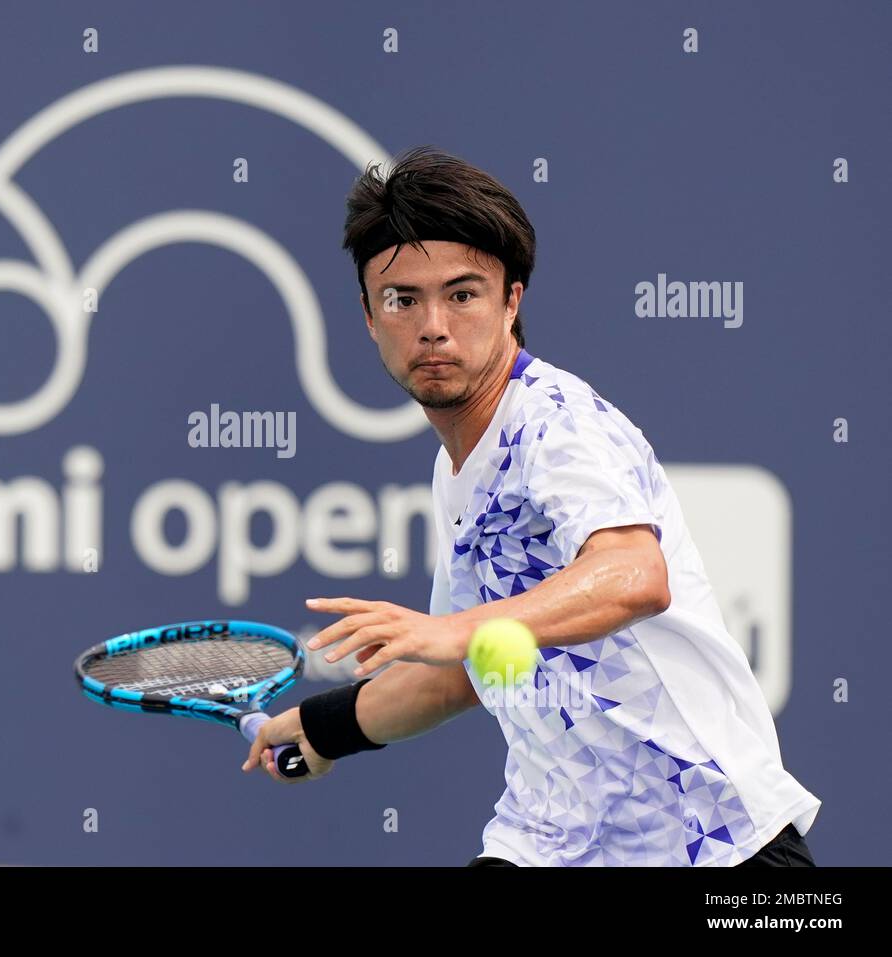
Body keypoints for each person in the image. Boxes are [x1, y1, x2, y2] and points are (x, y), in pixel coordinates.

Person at [241, 146, 820, 867]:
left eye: (463, 293)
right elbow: (458, 671)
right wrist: (325, 727)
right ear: (367, 315)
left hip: (711, 840)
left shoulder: (557, 425)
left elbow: (635, 574)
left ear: (511, 300)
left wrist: (455, 628)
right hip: (552, 841)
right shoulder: (458, 466)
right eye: (402, 299)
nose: (433, 326)